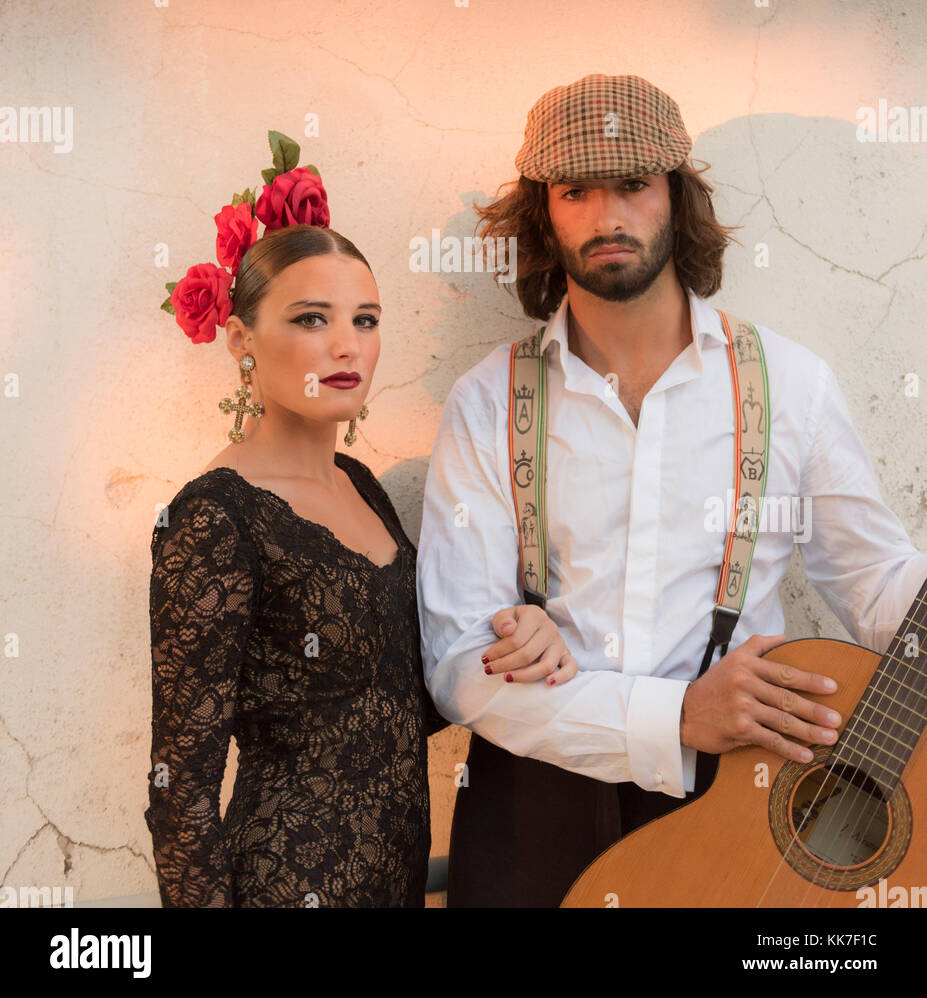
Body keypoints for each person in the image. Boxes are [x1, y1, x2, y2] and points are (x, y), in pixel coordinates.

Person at [415, 73, 927, 908]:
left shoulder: (790, 385)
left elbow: (879, 590)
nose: (607, 217)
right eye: (575, 191)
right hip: (531, 806)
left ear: (675, 197)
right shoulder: (486, 400)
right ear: (543, 211)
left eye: (632, 185)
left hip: (744, 813)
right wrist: (677, 718)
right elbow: (461, 664)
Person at [144, 134, 576, 907]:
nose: (347, 345)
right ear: (241, 340)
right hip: (282, 884)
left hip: (396, 885)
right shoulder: (213, 517)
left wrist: (525, 633)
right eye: (312, 319)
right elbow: (180, 792)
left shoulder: (361, 488)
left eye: (366, 320)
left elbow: (396, 704)